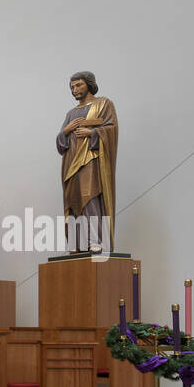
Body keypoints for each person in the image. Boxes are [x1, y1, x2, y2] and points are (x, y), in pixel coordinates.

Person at [56, 70, 118, 253]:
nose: (74, 90)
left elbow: (112, 129)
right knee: (74, 201)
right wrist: (66, 130)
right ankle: (77, 244)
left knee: (89, 198)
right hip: (71, 163)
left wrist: (92, 133)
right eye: (72, 87)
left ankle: (96, 241)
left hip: (91, 160)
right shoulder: (71, 113)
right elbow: (60, 144)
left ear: (89, 84)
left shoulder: (104, 104)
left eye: (78, 85)